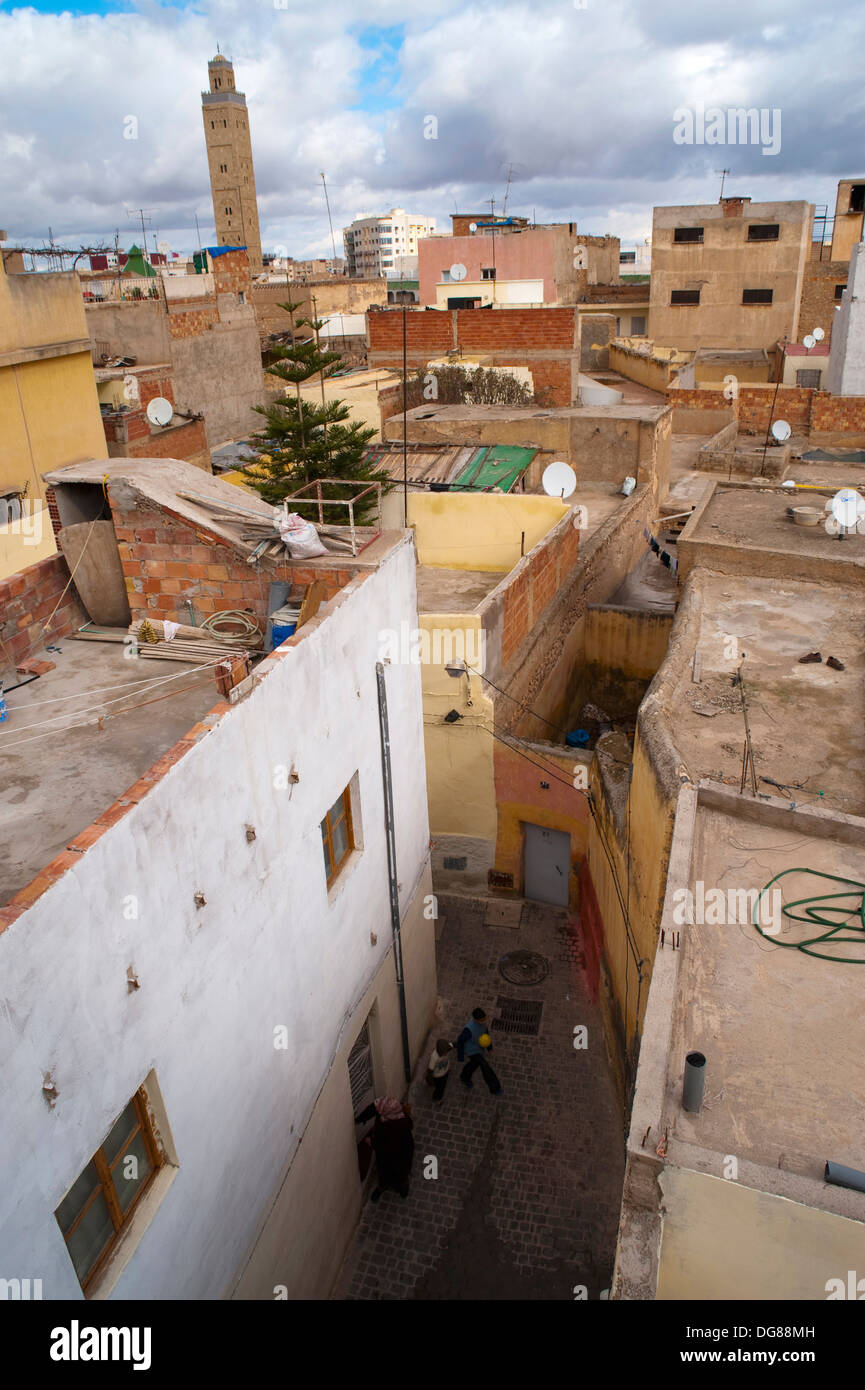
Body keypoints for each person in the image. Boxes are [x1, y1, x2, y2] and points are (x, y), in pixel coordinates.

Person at [354, 1096, 415, 1201]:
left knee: (397, 1171)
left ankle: (401, 1186)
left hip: (399, 1154)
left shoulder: (397, 1125)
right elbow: (373, 1109)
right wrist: (359, 1119)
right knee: (385, 1170)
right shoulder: (388, 1112)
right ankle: (384, 1186)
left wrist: (372, 1142)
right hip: (393, 1154)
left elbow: (386, 1146)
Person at [456, 1007, 502, 1096]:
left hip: (478, 1048)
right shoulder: (468, 1029)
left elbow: (486, 1035)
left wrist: (489, 1048)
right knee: (485, 1066)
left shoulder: (483, 1024)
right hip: (472, 1051)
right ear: (476, 1020)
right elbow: (460, 1040)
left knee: (473, 1064)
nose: (484, 1021)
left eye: (484, 1019)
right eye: (481, 1020)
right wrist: (460, 1056)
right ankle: (495, 1088)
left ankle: (464, 1077)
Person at [425, 1039, 454, 1103]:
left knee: (443, 1083)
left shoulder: (447, 1048)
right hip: (438, 1076)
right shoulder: (434, 1057)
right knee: (440, 1088)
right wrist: (430, 1078)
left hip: (445, 1071)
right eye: (444, 1052)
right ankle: (437, 1098)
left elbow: (453, 1045)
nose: (445, 1053)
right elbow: (430, 1069)